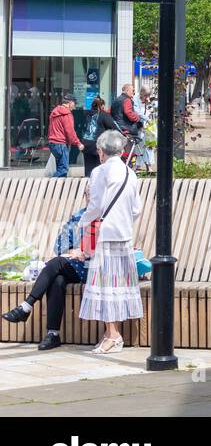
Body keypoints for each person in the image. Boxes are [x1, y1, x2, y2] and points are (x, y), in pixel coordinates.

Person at [2, 183, 92, 350]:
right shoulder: (79, 216)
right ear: (85, 197)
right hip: (73, 265)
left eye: (95, 194)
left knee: (55, 264)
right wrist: (73, 250)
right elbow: (60, 245)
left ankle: (26, 307)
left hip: (94, 268)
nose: (91, 198)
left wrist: (86, 251)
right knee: (57, 279)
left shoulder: (105, 217)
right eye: (89, 194)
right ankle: (53, 334)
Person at [78, 129, 144, 355]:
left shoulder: (100, 172)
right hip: (124, 235)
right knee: (117, 284)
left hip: (105, 236)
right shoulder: (130, 173)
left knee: (106, 286)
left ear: (102, 151)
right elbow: (136, 209)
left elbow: (95, 205)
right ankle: (109, 333)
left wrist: (82, 223)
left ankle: (114, 336)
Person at [46, 95, 82, 178]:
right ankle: (50, 185)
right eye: (74, 104)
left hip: (52, 143)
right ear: (70, 103)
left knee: (60, 168)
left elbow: (50, 128)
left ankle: (58, 189)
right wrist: (78, 143)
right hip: (60, 144)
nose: (74, 106)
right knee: (63, 169)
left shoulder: (54, 112)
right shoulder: (67, 114)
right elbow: (70, 131)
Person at [83, 97, 118, 178]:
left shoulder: (87, 114)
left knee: (88, 170)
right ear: (102, 106)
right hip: (97, 145)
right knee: (98, 169)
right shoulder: (104, 115)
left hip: (86, 143)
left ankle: (87, 186)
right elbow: (113, 127)